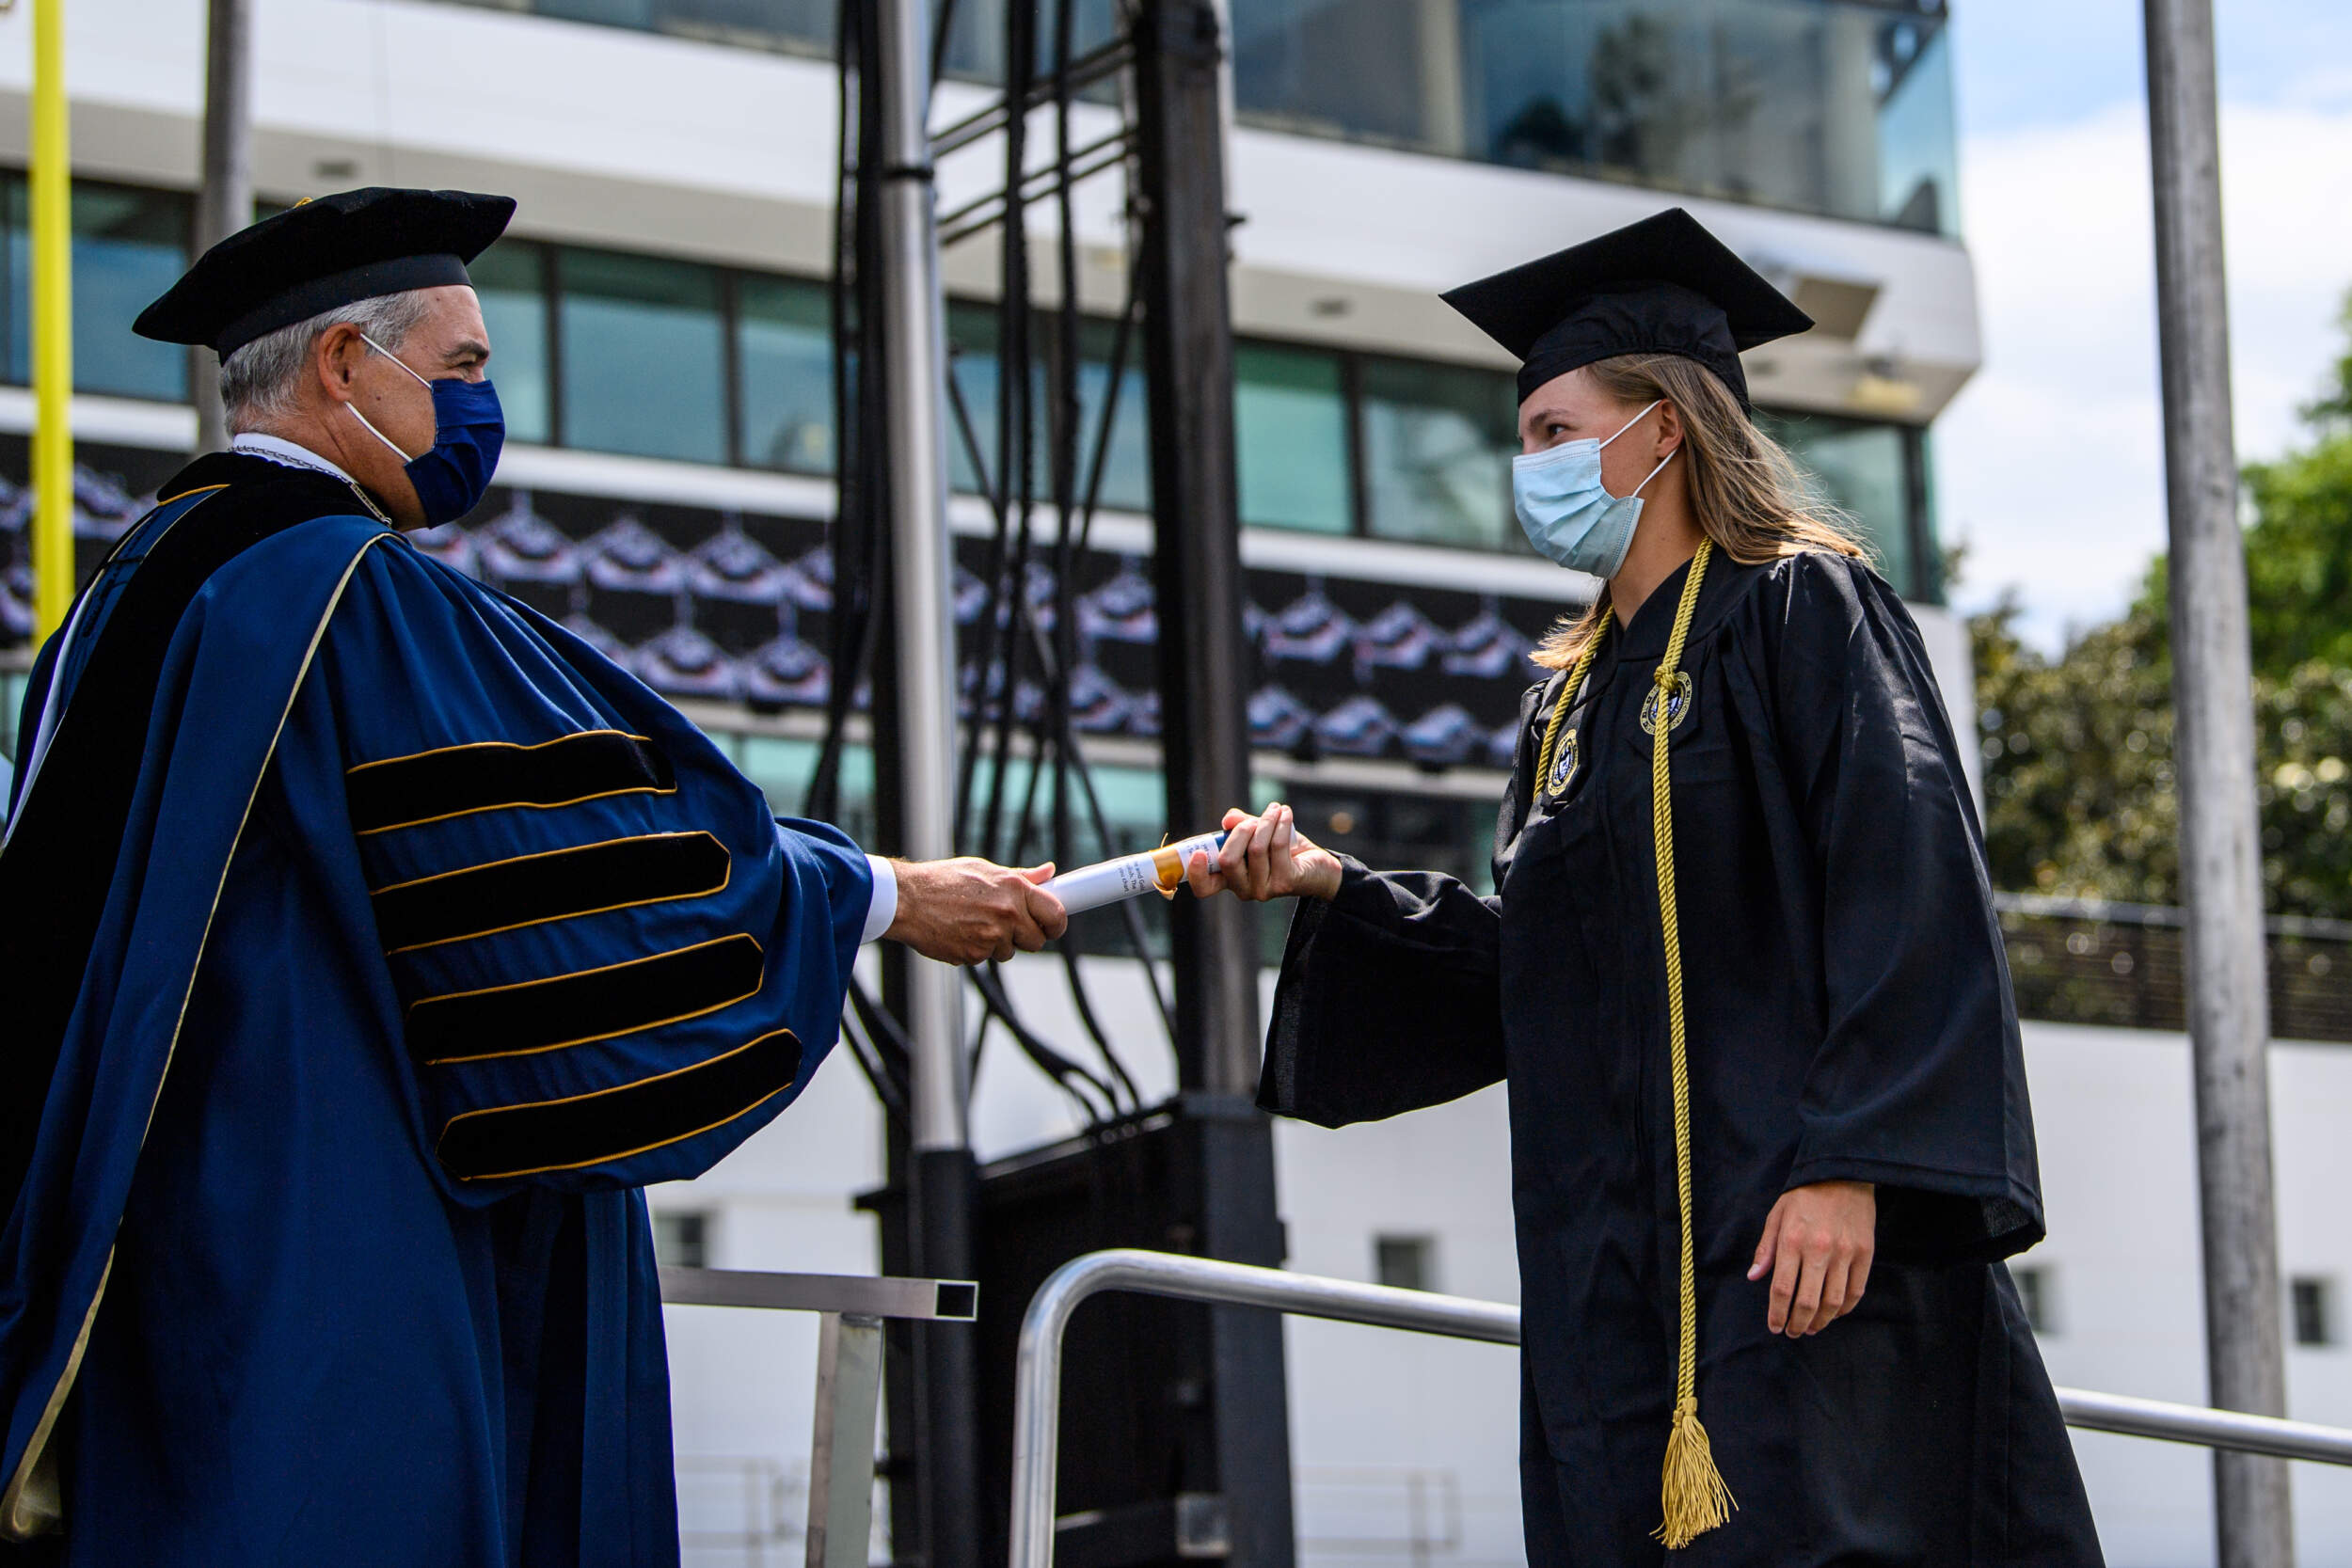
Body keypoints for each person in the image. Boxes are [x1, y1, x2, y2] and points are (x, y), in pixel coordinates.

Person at [0, 187, 1064, 1565]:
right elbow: (604, 876)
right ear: (341, 365)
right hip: (324, 1227)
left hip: (153, 1230)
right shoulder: (348, 596)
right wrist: (886, 897)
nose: (484, 408)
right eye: (462, 369)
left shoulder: (128, 589)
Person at [1188, 209, 2103, 1564]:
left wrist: (1853, 1167)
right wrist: (1340, 891)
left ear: (1661, 428)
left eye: (1557, 432)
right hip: (1611, 1278)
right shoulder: (1565, 704)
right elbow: (1552, 965)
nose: (1531, 467)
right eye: (1527, 439)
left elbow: (1906, 875)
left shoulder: (1802, 608)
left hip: (1792, 1242)